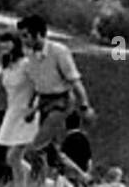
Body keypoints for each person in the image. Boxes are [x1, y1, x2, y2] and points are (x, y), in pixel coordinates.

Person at [18, 13, 95, 178]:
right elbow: (36, 84)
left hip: (62, 102)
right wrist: (32, 107)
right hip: (44, 102)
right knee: (49, 149)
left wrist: (85, 106)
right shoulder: (30, 55)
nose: (23, 40)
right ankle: (80, 178)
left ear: (38, 34)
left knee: (36, 146)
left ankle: (37, 183)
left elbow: (75, 81)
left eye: (26, 36)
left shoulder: (59, 51)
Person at [0, 31, 38, 186]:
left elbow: (40, 86)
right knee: (12, 157)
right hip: (12, 112)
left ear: (15, 44)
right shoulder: (5, 65)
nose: (4, 45)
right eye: (2, 42)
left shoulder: (26, 64)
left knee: (13, 157)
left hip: (27, 113)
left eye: (8, 42)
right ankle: (26, 181)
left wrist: (33, 106)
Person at [58, 111, 94, 187]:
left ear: (65, 124)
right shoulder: (84, 139)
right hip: (83, 178)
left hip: (71, 177)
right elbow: (89, 160)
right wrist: (86, 174)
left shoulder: (67, 140)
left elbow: (64, 158)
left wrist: (79, 172)